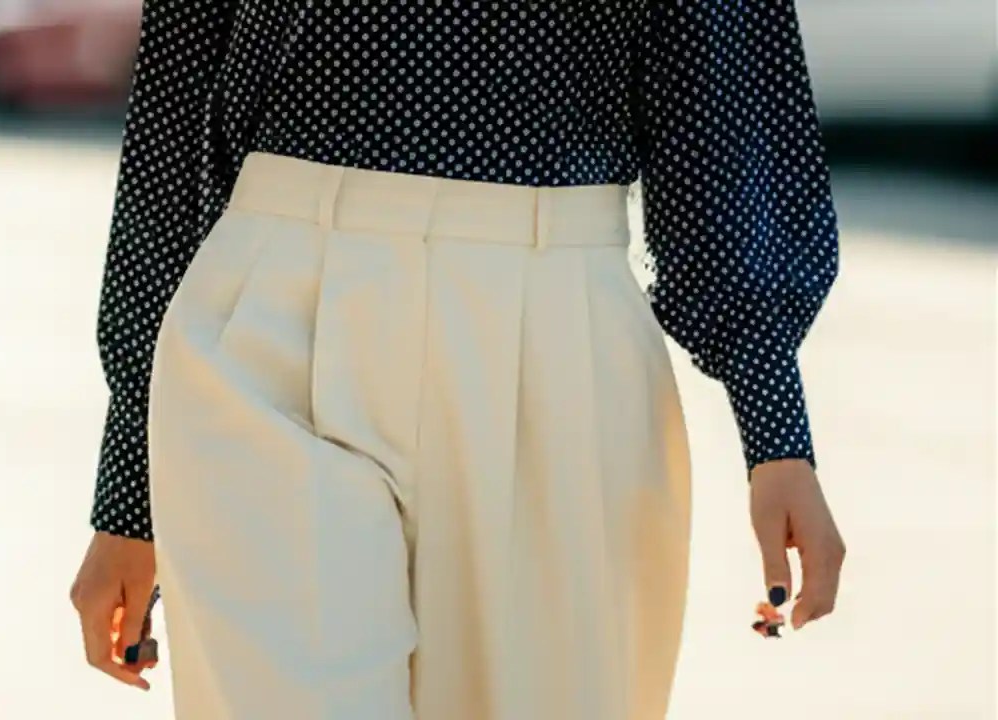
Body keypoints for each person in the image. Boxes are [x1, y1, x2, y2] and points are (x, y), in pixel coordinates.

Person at [69, 1, 848, 718]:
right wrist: (130, 495)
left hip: (554, 336)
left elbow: (722, 109)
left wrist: (776, 432)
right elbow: (173, 119)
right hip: (270, 316)